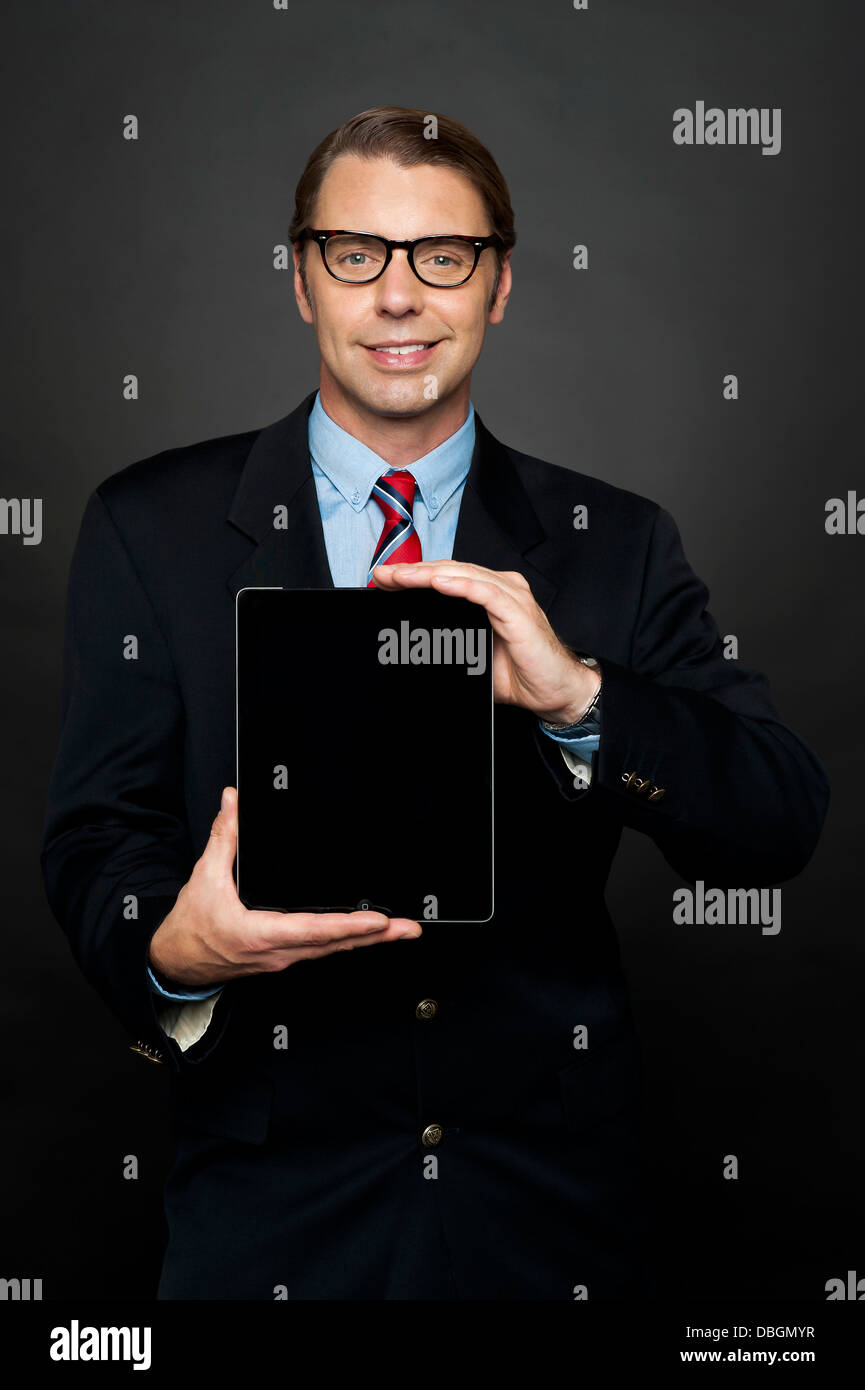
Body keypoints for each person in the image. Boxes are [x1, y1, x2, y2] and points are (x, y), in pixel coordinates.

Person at [41, 105, 829, 1300]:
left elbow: (777, 822)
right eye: (355, 252)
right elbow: (97, 836)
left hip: (546, 1221)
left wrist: (580, 702)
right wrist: (174, 949)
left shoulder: (612, 541)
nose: (397, 296)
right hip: (270, 1220)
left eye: (441, 256)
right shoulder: (148, 526)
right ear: (302, 278)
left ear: (499, 283)